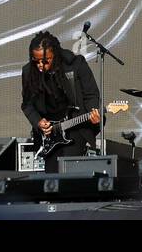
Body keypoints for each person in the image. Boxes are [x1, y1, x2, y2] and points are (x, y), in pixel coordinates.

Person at [20, 30, 101, 164]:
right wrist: (39, 122)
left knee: (69, 170)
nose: (40, 65)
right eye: (37, 61)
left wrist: (94, 111)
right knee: (52, 177)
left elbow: (91, 93)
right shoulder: (29, 72)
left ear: (55, 55)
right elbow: (27, 104)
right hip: (49, 134)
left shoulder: (76, 64)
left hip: (74, 126)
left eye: (45, 61)